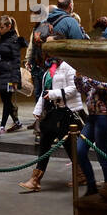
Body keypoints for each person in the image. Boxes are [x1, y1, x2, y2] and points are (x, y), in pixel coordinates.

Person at [18, 57, 87, 192]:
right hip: (53, 112)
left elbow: (74, 88)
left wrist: (54, 94)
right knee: (45, 143)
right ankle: (35, 179)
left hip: (67, 112)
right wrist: (38, 110)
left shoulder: (69, 66)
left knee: (68, 144)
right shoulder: (51, 68)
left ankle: (80, 174)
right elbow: (45, 91)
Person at [29, 0, 88, 101]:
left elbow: (35, 44)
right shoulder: (70, 21)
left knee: (48, 97)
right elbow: (79, 45)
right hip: (64, 68)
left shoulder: (43, 22)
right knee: (66, 99)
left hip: (46, 69)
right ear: (70, 6)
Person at [75, 71, 107, 195]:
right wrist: (78, 76)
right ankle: (91, 185)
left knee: (102, 155)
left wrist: (91, 79)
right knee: (79, 150)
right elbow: (82, 89)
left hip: (104, 117)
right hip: (92, 117)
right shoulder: (91, 69)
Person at [0, 15, 28, 133]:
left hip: (9, 75)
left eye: (2, 27)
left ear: (9, 26)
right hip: (2, 74)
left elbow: (16, 61)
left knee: (7, 101)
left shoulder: (14, 40)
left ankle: (2, 126)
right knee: (6, 100)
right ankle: (17, 122)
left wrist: (14, 79)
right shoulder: (3, 39)